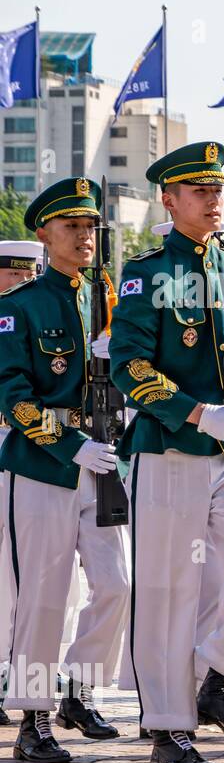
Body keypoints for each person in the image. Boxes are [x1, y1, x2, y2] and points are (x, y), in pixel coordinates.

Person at [111, 141, 224, 763]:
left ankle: (217, 674)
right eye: (199, 191)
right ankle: (168, 730)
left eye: (218, 190)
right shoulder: (148, 273)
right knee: (166, 594)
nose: (212, 200)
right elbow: (129, 368)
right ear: (170, 199)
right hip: (171, 447)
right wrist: (196, 411)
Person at [0, 179, 131, 761]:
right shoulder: (19, 307)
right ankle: (32, 719)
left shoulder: (102, 300)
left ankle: (77, 689)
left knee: (117, 584)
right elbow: (12, 393)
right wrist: (65, 442)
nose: (86, 236)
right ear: (44, 234)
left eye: (91, 227)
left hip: (100, 457)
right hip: (43, 464)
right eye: (73, 226)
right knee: (44, 598)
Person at [0, 240, 44, 727]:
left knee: (31, 586)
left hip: (31, 452)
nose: (20, 282)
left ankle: (57, 689)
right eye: (12, 274)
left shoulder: (28, 320)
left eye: (28, 273)